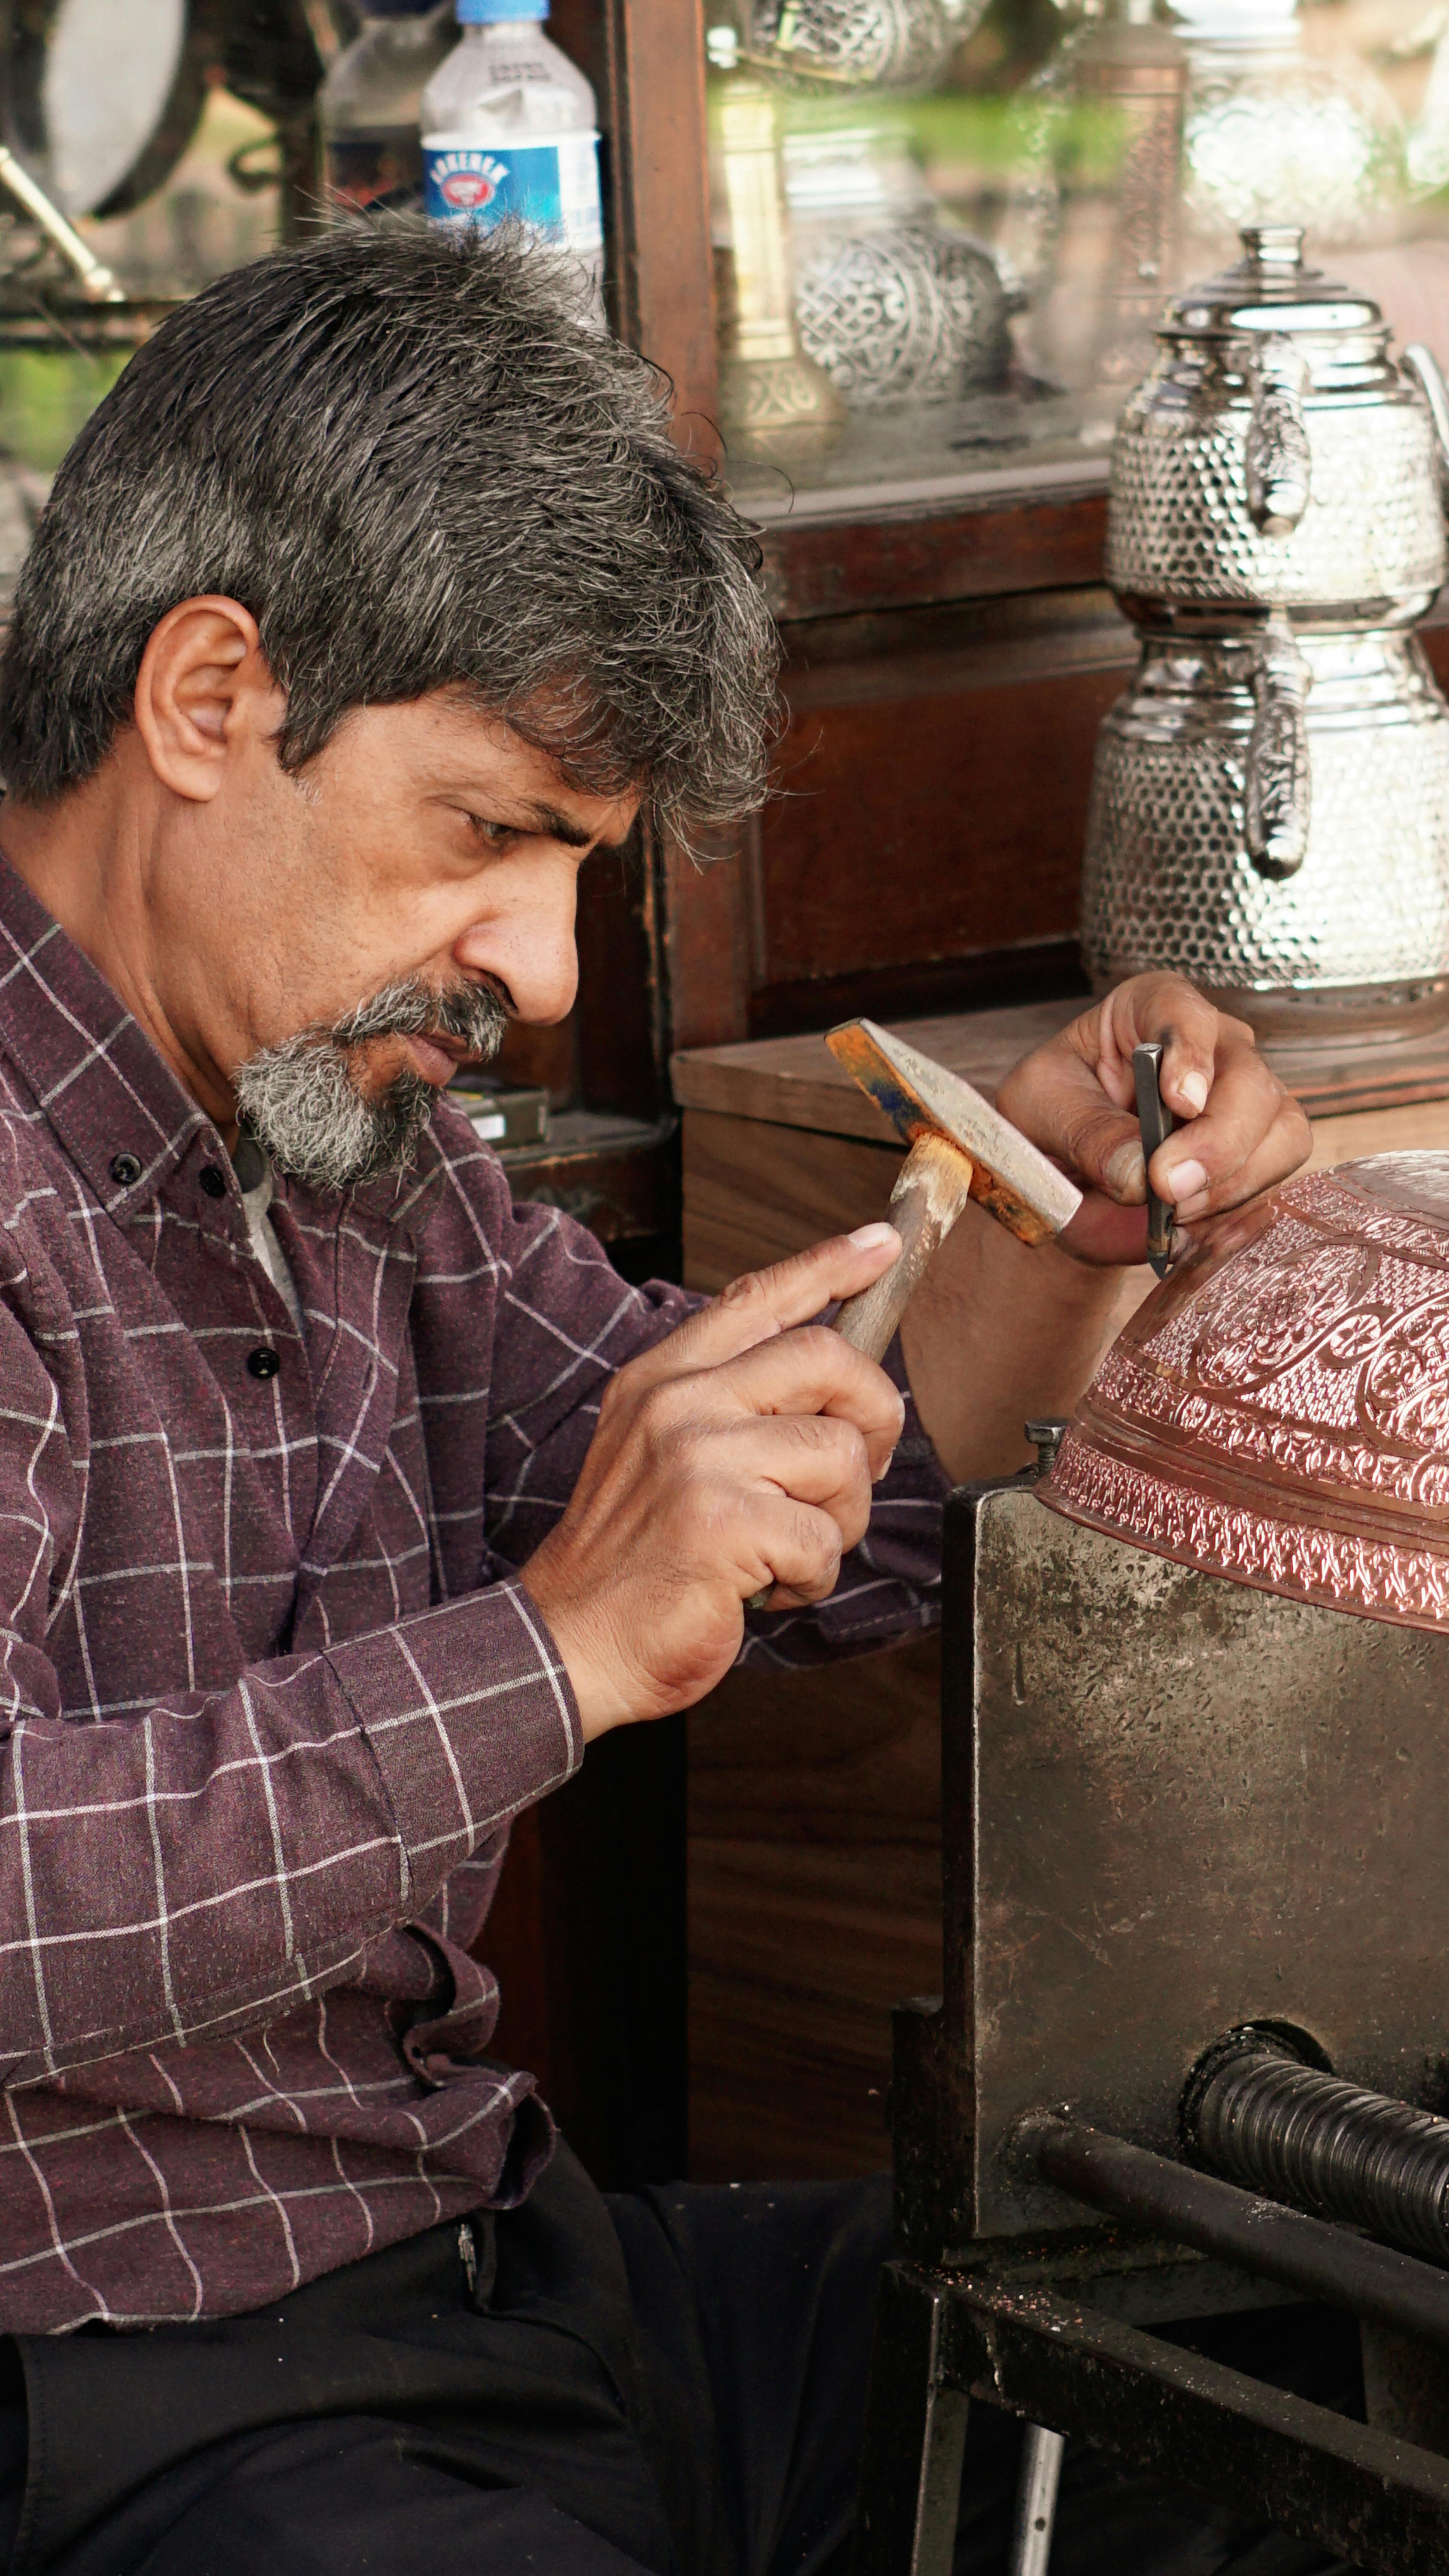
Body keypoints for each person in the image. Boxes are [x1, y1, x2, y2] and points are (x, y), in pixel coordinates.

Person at [0, 222, 1320, 2576]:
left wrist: (1054, 1228)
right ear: (208, 697)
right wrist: (549, 1651)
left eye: (578, 864)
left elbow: (798, 1531)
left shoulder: (344, 1134)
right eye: (487, 832)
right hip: (136, 2389)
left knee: (1292, 2354)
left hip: (510, 2294)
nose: (535, 963)